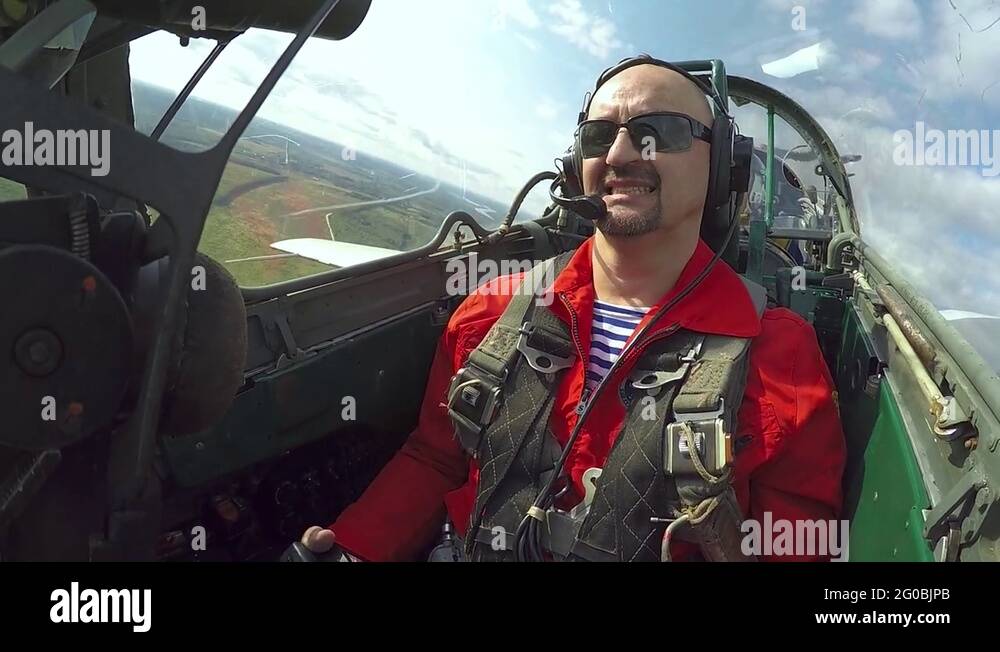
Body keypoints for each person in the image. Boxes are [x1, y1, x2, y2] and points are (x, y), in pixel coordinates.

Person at [301, 57, 846, 561]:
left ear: (724, 167)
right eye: (599, 135)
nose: (619, 155)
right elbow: (437, 458)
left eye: (661, 132)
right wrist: (355, 546)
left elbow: (792, 541)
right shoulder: (493, 312)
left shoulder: (781, 354)